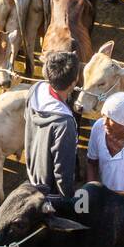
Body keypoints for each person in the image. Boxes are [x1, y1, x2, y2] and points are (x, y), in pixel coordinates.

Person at [24, 50, 79, 197]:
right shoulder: (64, 124)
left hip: (33, 176)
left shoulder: (35, 90)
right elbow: (63, 171)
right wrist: (67, 199)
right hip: (51, 193)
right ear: (74, 82)